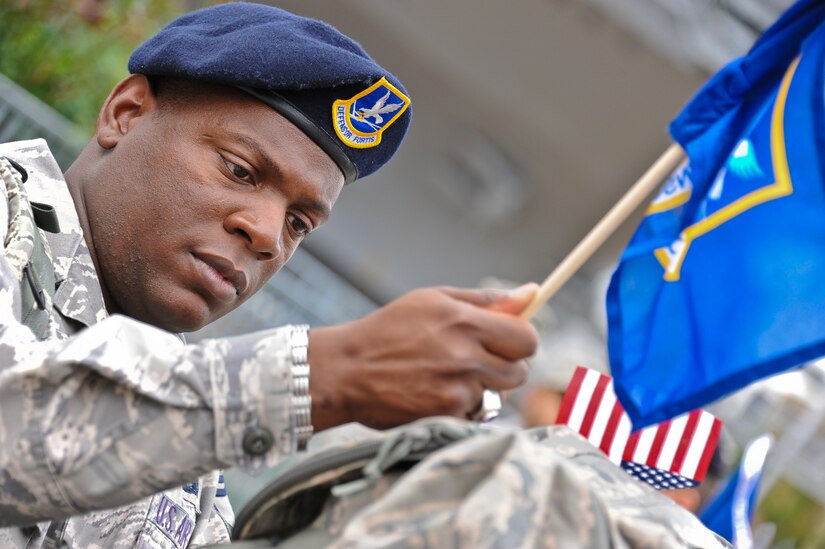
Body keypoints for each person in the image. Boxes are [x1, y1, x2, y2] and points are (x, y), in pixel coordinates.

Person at [0, 3, 538, 547]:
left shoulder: (191, 472)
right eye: (239, 170)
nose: (266, 234)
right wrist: (326, 375)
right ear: (127, 113)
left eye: (299, 222)